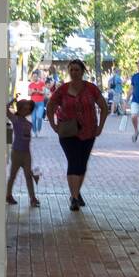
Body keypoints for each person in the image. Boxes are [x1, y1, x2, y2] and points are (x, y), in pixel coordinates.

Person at [47, 59, 108, 212]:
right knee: (73, 161)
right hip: (68, 131)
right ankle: (74, 198)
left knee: (82, 163)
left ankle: (76, 192)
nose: (74, 72)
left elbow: (104, 107)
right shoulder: (62, 89)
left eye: (77, 70)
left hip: (88, 131)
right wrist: (53, 124)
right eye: (72, 70)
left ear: (83, 71)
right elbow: (50, 105)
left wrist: (100, 127)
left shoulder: (91, 89)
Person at [5, 98, 40, 207]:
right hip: (16, 153)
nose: (27, 111)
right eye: (25, 108)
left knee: (28, 176)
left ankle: (32, 198)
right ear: (19, 109)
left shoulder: (29, 123)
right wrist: (12, 101)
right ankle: (8, 195)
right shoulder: (15, 119)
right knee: (13, 175)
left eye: (28, 109)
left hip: (26, 154)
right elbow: (5, 110)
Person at [27, 70, 47, 137]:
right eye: (33, 77)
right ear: (32, 77)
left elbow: (44, 92)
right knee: (33, 119)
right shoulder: (30, 85)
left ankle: (39, 130)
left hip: (40, 103)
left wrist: (38, 91)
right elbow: (28, 94)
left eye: (35, 76)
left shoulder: (42, 83)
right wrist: (32, 92)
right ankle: (35, 132)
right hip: (32, 104)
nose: (34, 78)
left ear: (38, 77)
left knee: (39, 117)